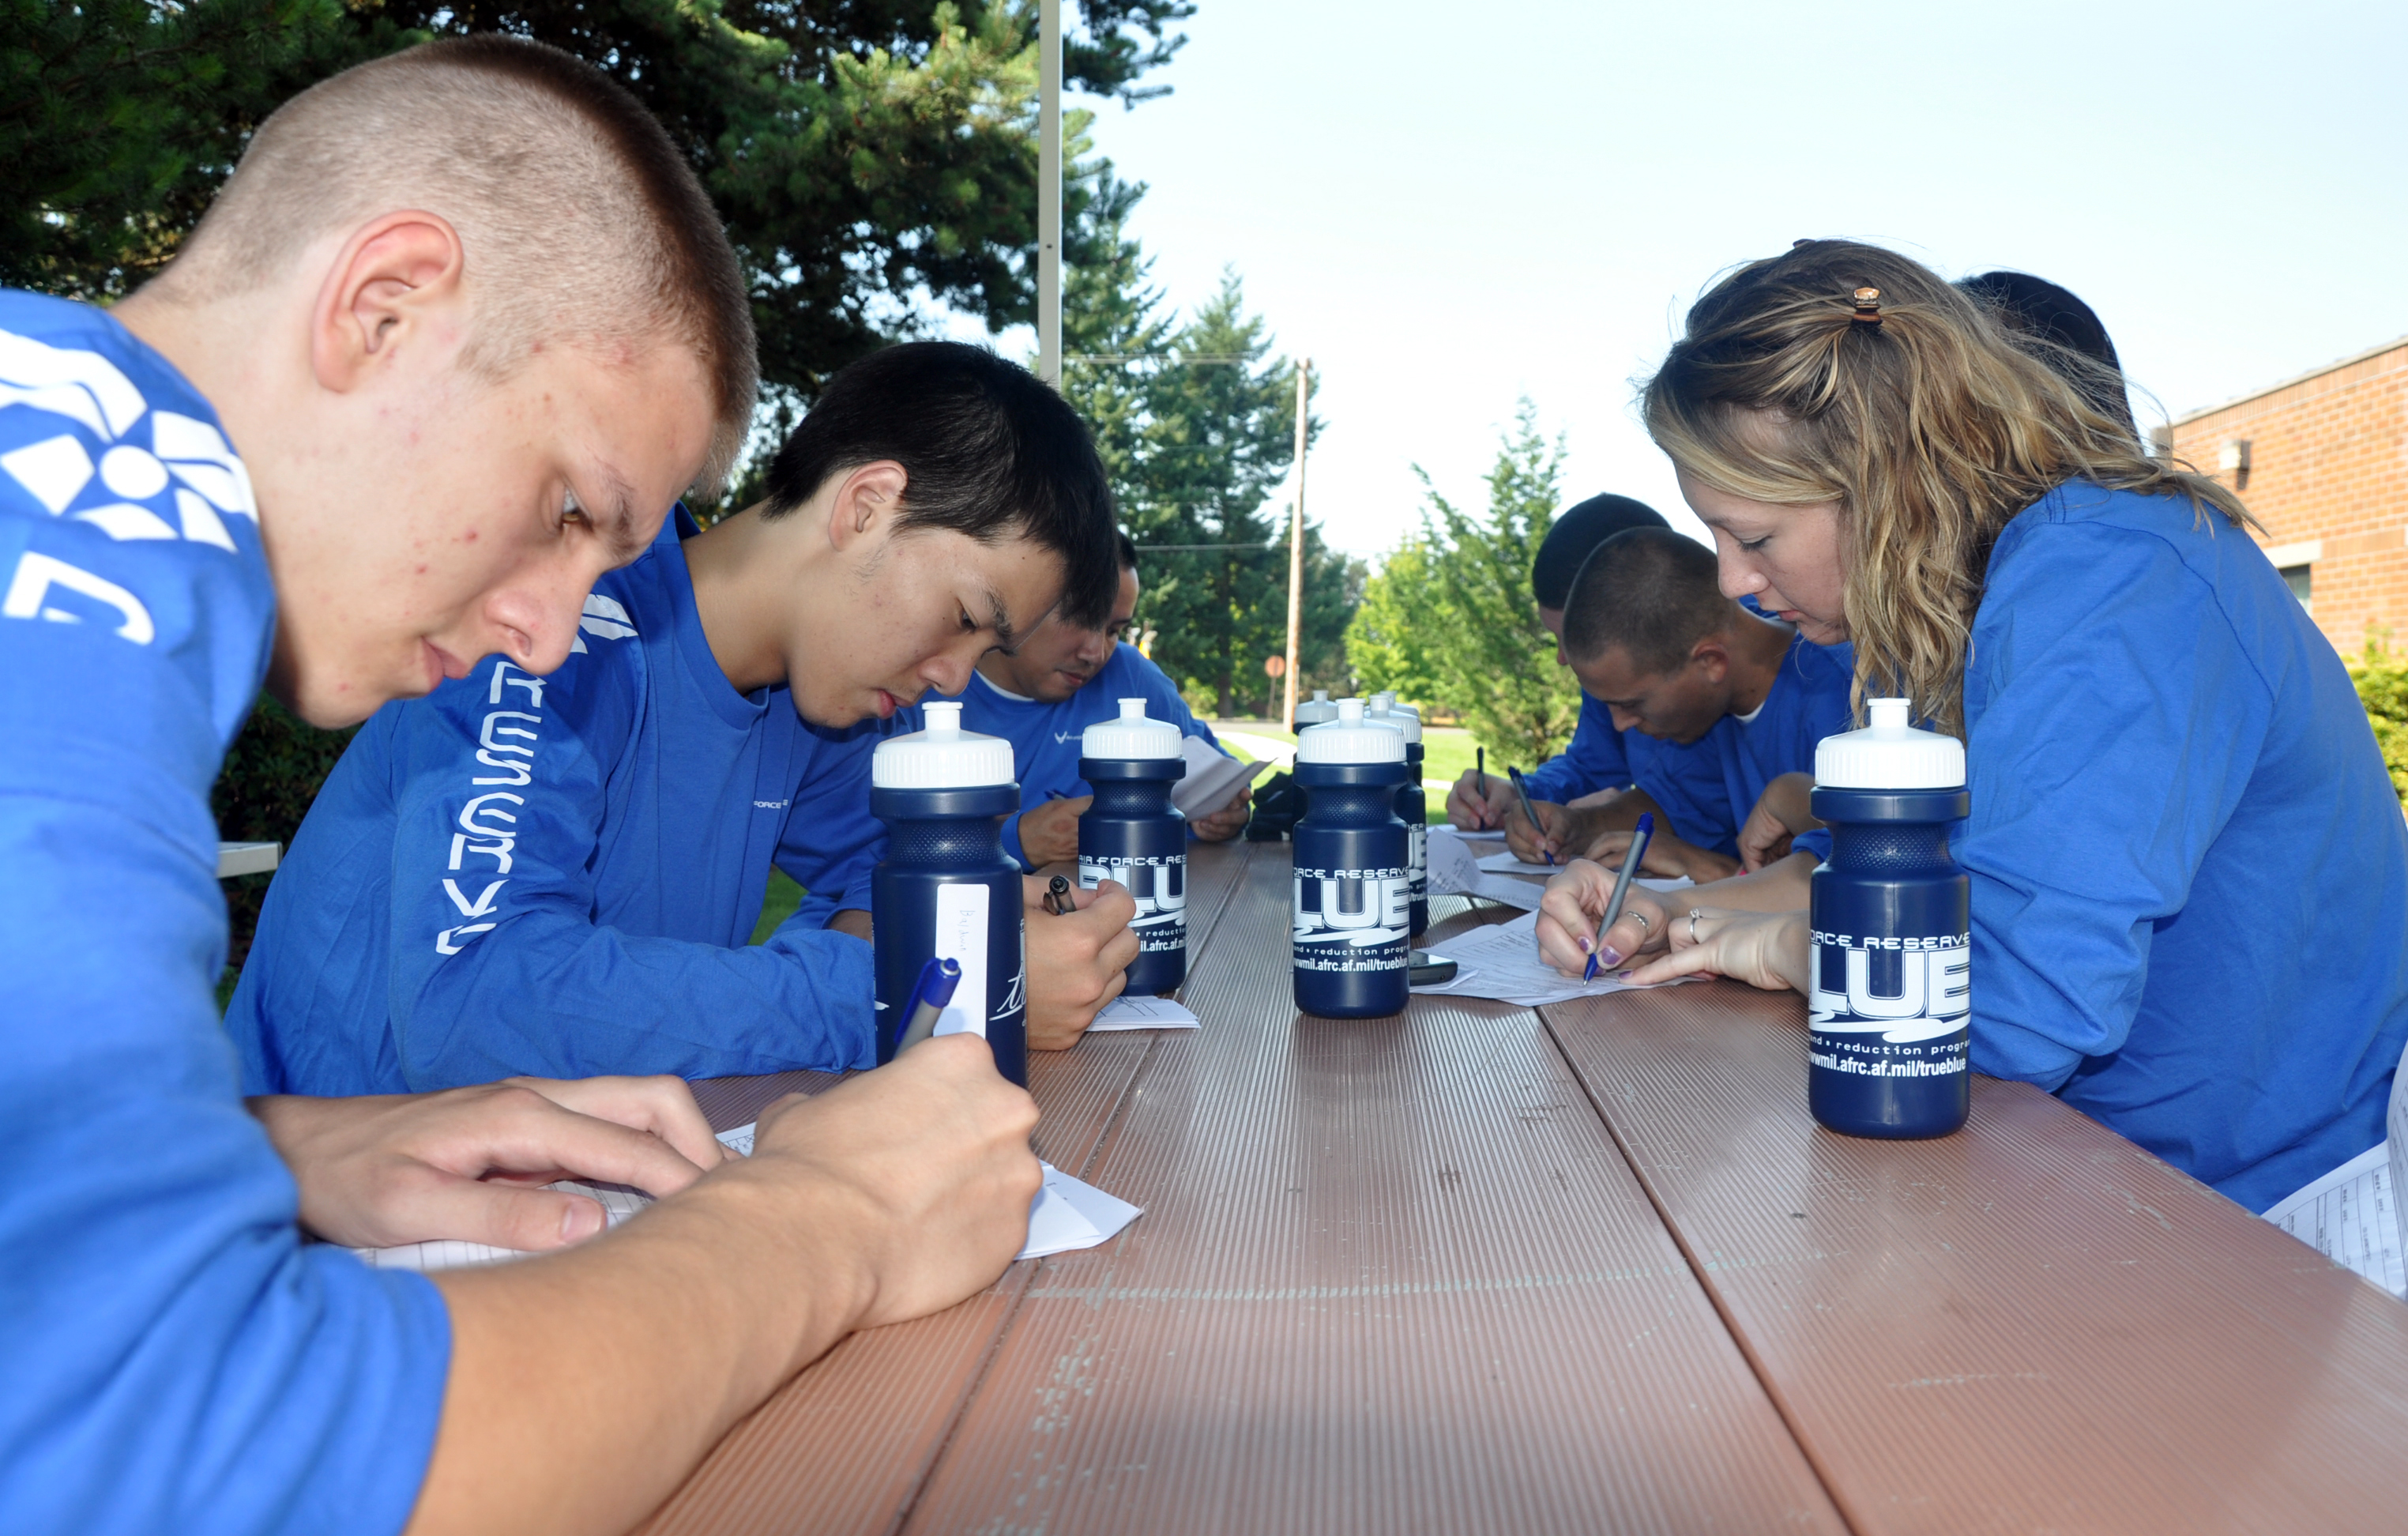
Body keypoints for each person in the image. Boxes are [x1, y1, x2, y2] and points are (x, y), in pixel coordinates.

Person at [2, 38, 1040, 1536]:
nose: (552, 636)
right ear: (384, 307)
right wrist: (833, 1223)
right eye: (566, 508)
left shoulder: (70, 482)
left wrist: (268, 1141)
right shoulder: (71, 586)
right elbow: (194, 1450)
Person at [1535, 239, 2408, 1215]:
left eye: (1753, 537)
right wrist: (1673, 920)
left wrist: (1782, 950)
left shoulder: (2114, 585)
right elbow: (1869, 874)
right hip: (2081, 1159)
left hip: (2262, 1203)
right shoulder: (1951, 601)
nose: (1733, 580)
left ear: (1882, 478)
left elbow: (2015, 1005)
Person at [226, 342, 1138, 1098]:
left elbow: (884, 891)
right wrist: (918, 993)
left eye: (985, 651)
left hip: (582, 1185)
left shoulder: (830, 708)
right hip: (310, 1221)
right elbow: (473, 1010)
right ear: (867, 507)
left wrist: (966, 933)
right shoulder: (550, 621)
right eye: (965, 618)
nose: (952, 680)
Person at [1544, 525, 1854, 879]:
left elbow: (1867, 867)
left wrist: (1711, 869)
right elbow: (1671, 806)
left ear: (1711, 662)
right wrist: (1572, 826)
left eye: (1633, 704)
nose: (1620, 724)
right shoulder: (1710, 712)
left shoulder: (1850, 698)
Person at [943, 531, 1254, 871]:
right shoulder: (924, 686)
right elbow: (895, 859)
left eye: (1113, 630)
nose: (1096, 653)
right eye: (1079, 618)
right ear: (1018, 599)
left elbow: (1223, 782)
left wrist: (1226, 815)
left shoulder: (1133, 677)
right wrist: (1016, 840)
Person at [1446, 492, 1699, 845]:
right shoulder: (1609, 676)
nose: (1563, 659)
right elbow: (1592, 766)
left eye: (1573, 640)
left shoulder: (1728, 679)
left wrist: (1607, 817)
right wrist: (1523, 794)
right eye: (1557, 639)